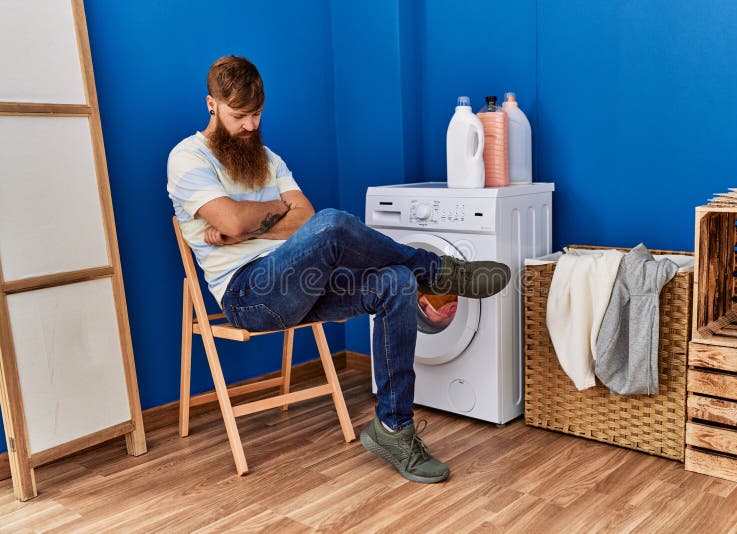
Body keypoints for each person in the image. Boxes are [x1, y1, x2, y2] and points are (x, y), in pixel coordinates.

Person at [167, 55, 511, 484]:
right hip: (248, 295)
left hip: (300, 284)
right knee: (334, 224)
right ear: (211, 105)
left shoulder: (267, 159)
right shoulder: (187, 157)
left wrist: (245, 226)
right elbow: (251, 222)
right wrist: (261, 221)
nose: (252, 126)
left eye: (257, 114)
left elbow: (300, 216)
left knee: (395, 281)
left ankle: (393, 428)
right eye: (240, 116)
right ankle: (437, 270)